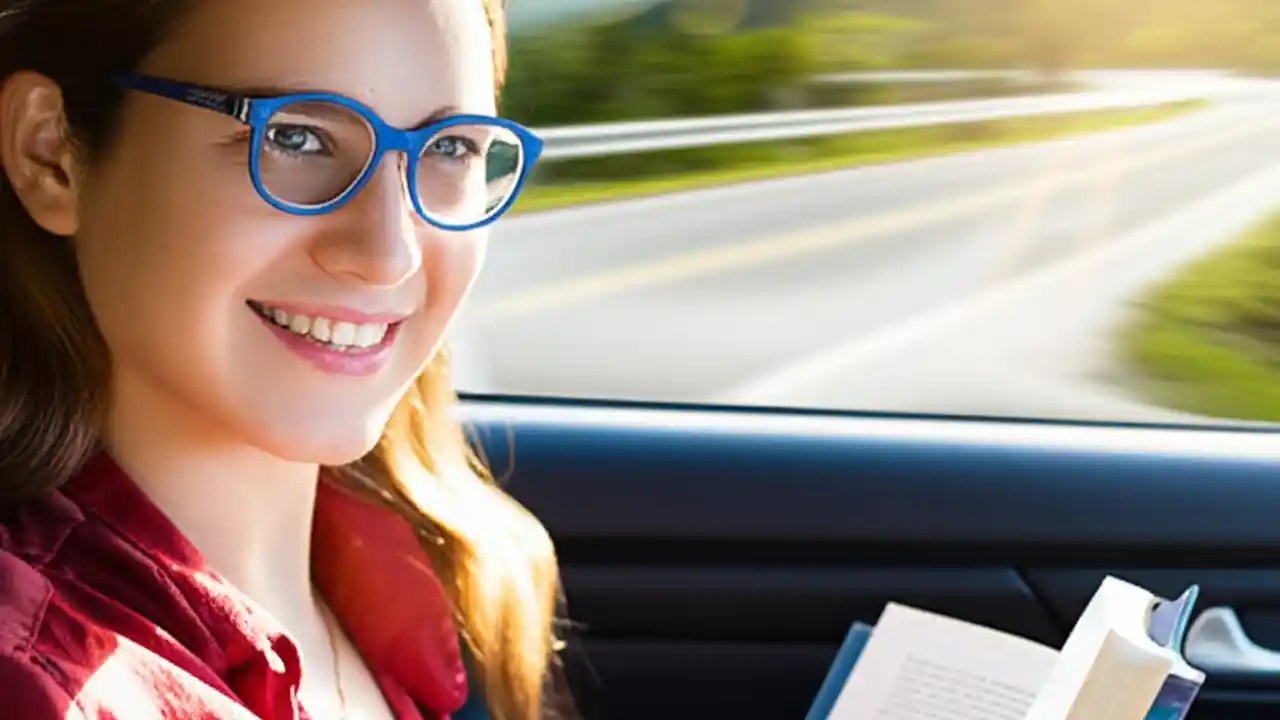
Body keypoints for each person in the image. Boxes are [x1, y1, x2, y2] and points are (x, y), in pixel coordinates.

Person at [0, 0, 573, 718]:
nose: (388, 254)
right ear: (50, 155)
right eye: (296, 137)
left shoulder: (463, 576)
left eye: (449, 148)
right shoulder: (36, 683)